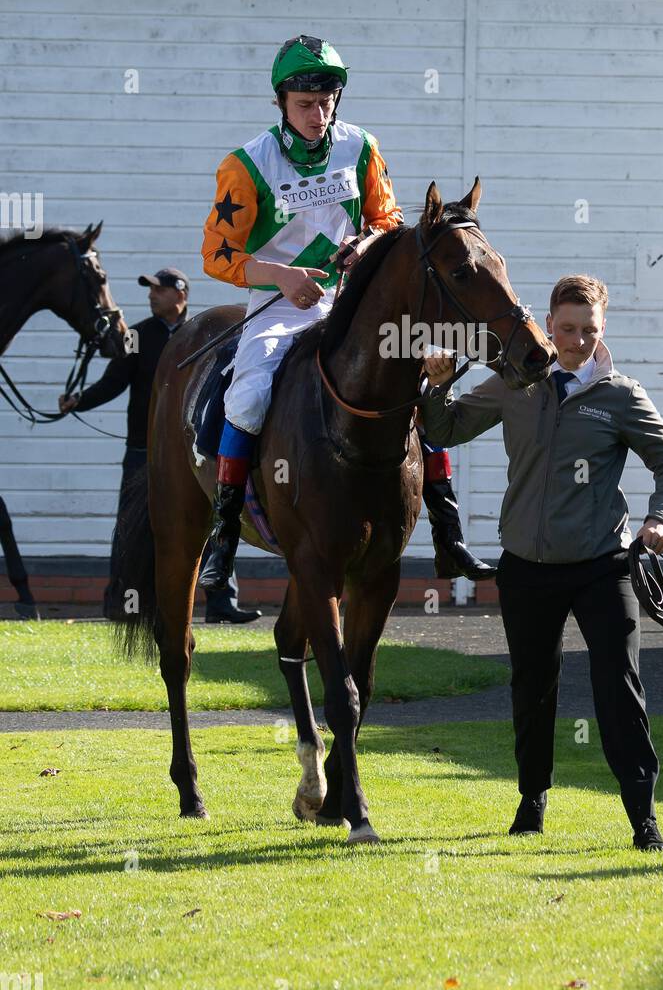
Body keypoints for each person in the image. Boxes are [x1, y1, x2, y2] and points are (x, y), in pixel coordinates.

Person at [199, 35, 490, 591]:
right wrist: (282, 276)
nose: (319, 113)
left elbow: (388, 217)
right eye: (306, 103)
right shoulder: (245, 165)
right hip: (279, 305)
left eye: (328, 100)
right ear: (282, 100)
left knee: (414, 379)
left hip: (350, 303)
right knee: (249, 392)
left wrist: (365, 244)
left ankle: (448, 536)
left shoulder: (360, 147)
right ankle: (223, 537)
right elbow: (216, 255)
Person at [421, 273, 663, 851]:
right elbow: (442, 429)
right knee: (532, 686)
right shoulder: (515, 380)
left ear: (602, 329)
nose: (576, 341)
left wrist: (661, 521)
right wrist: (437, 386)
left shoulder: (620, 395)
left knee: (619, 687)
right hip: (526, 566)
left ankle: (643, 819)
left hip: (602, 565)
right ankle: (531, 800)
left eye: (588, 331)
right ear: (548, 324)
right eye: (566, 329)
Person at [59, 269, 260, 624]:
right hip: (143, 448)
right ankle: (122, 601)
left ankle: (220, 603)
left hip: (193, 451)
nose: (152, 296)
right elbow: (114, 382)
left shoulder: (203, 334)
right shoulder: (136, 336)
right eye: (150, 290)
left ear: (180, 294)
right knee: (133, 523)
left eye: (159, 290)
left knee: (218, 516)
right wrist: (80, 401)